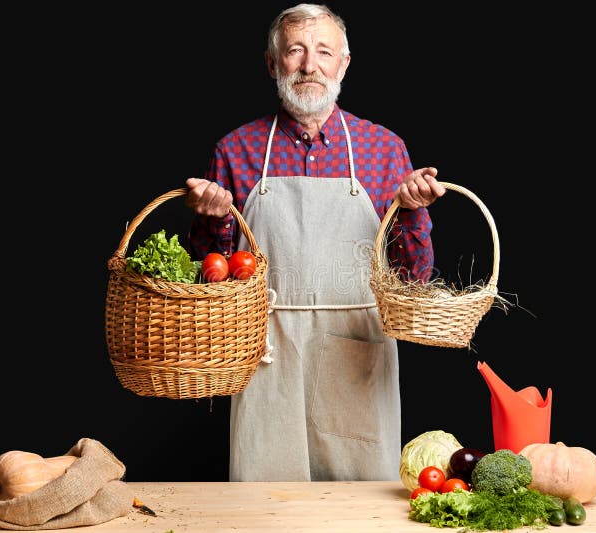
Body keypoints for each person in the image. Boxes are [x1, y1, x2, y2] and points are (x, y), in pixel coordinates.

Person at [184, 3, 445, 482]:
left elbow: (414, 278)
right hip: (267, 355)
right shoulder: (235, 149)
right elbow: (209, 277)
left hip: (355, 353)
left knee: (360, 507)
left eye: (324, 51)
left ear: (343, 64)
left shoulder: (384, 149)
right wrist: (215, 219)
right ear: (272, 62)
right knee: (266, 506)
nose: (309, 65)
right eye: (296, 51)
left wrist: (412, 212)